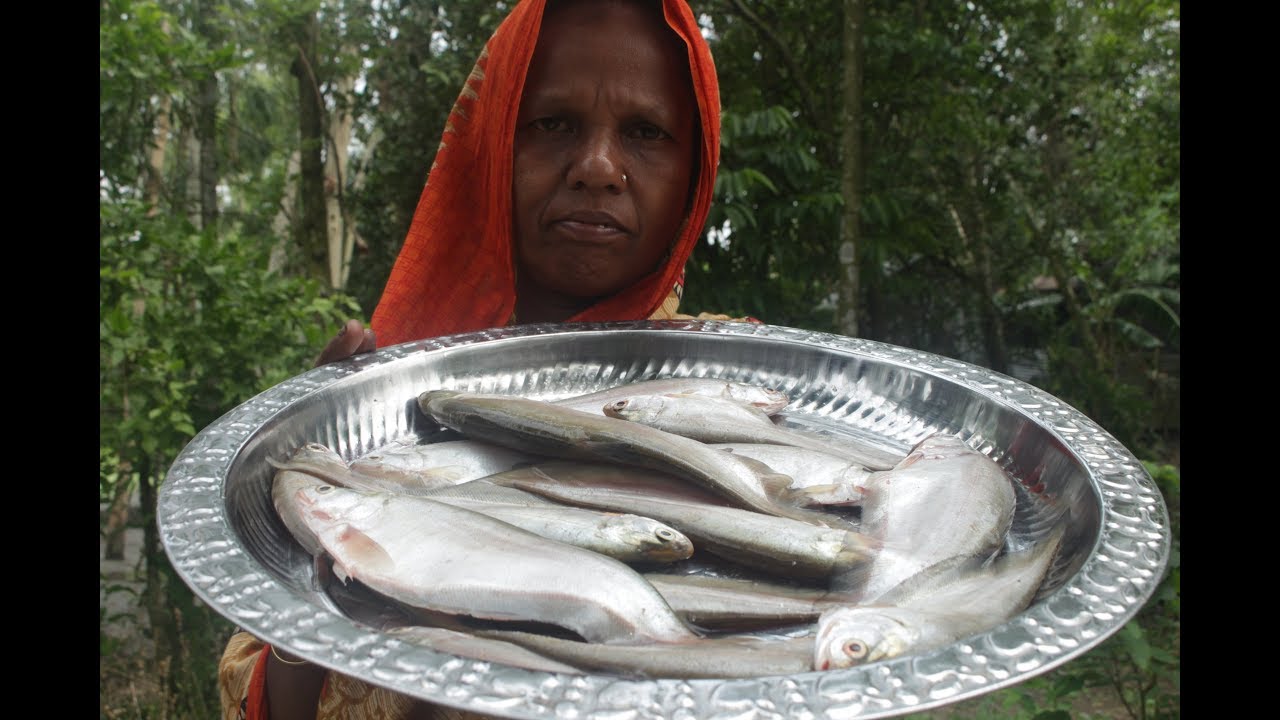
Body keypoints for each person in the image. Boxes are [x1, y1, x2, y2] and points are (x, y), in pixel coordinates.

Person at [220, 1, 751, 717]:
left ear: (695, 168)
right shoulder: (382, 413)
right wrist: (311, 566)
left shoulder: (742, 397)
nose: (597, 168)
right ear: (493, 141)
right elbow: (265, 703)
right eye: (552, 124)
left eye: (646, 132)